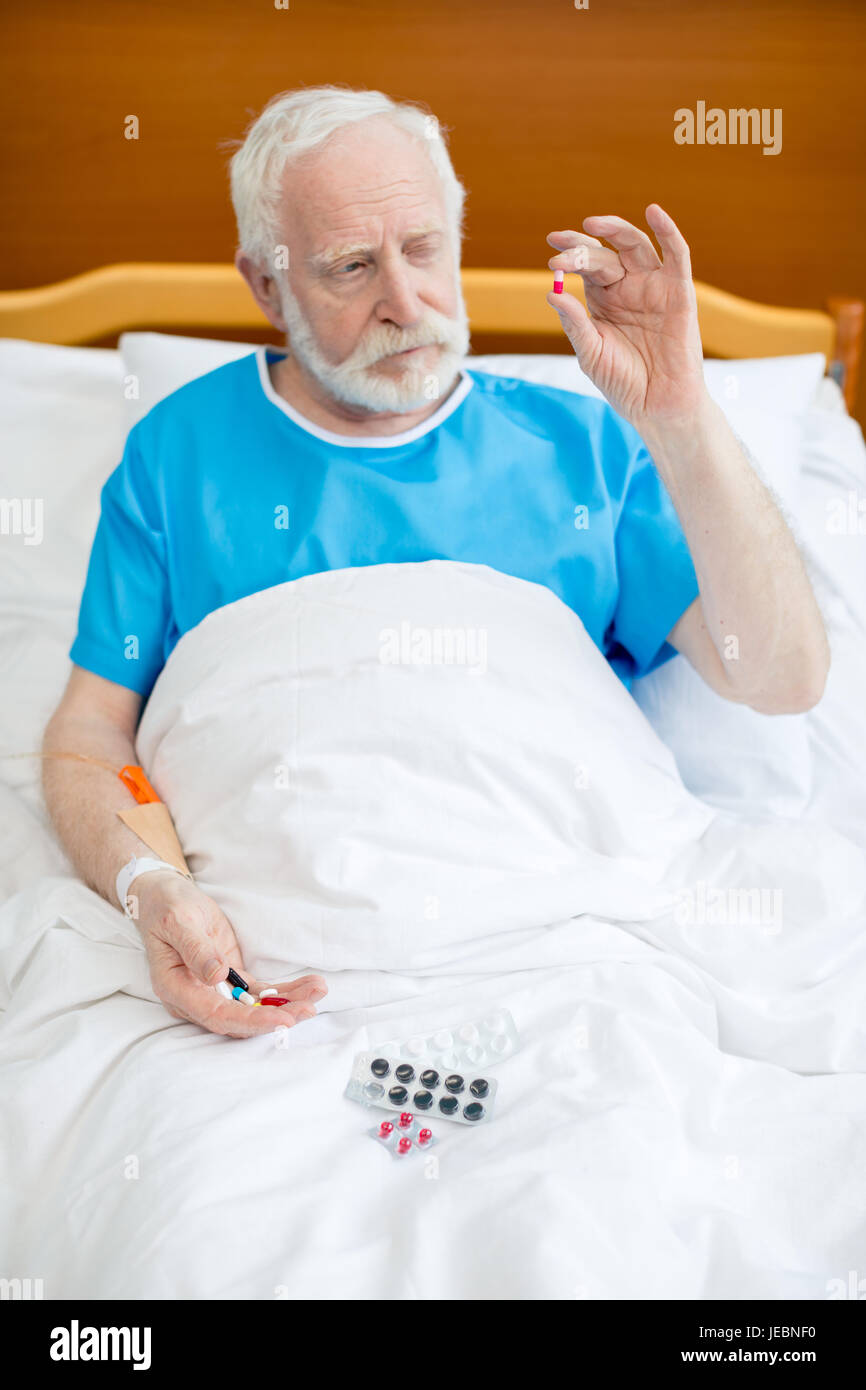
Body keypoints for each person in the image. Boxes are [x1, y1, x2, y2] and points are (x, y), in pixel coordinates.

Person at [42, 86, 829, 1038]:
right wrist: (149, 886)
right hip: (280, 970)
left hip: (575, 937)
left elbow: (784, 679)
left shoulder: (586, 446)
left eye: (423, 249)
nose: (405, 303)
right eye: (351, 267)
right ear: (266, 283)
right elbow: (91, 740)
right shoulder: (180, 454)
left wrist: (682, 419)